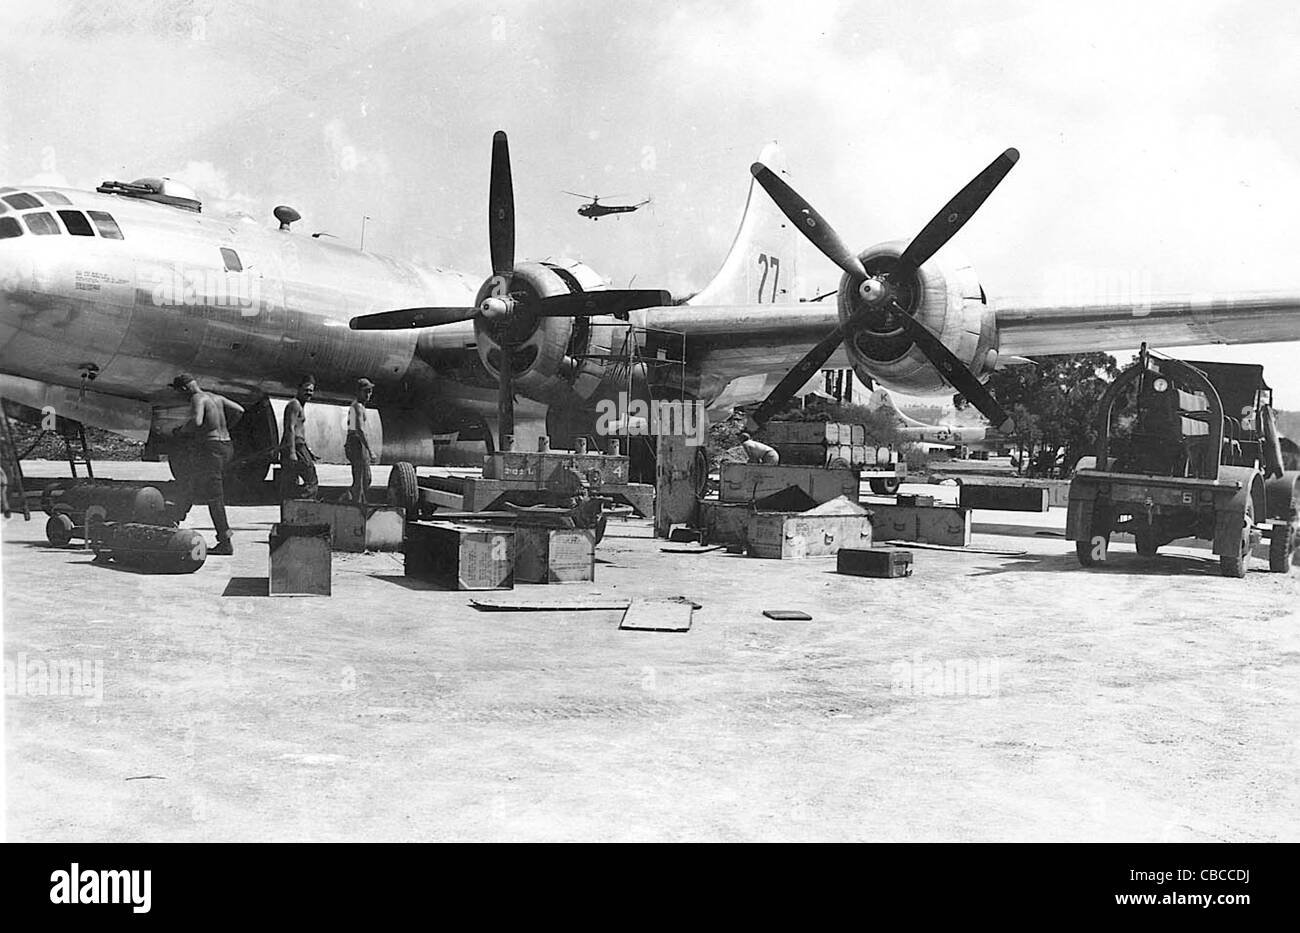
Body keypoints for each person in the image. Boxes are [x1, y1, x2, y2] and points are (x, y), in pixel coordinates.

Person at [169, 373, 244, 554]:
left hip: (211, 449)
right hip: (226, 446)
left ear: (185, 388)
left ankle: (225, 541)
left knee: (213, 496)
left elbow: (197, 421)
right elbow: (240, 410)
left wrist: (180, 431)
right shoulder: (216, 397)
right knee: (194, 482)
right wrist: (225, 427)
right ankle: (174, 519)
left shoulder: (197, 398)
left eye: (179, 392)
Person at [281, 374, 319, 500]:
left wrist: (308, 450)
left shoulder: (300, 405)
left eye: (311, 391)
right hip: (295, 446)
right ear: (299, 389)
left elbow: (299, 429)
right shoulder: (295, 404)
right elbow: (290, 428)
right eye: (306, 390)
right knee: (311, 480)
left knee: (291, 482)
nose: (309, 393)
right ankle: (305, 505)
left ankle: (294, 510)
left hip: (298, 445)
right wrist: (292, 452)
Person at [345, 377, 375, 505]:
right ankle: (354, 504)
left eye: (370, 391)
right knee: (361, 479)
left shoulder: (360, 406)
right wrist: (370, 450)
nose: (368, 394)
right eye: (365, 391)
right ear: (358, 391)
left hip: (356, 443)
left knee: (365, 478)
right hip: (356, 443)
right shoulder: (357, 406)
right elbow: (359, 430)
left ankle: (353, 500)